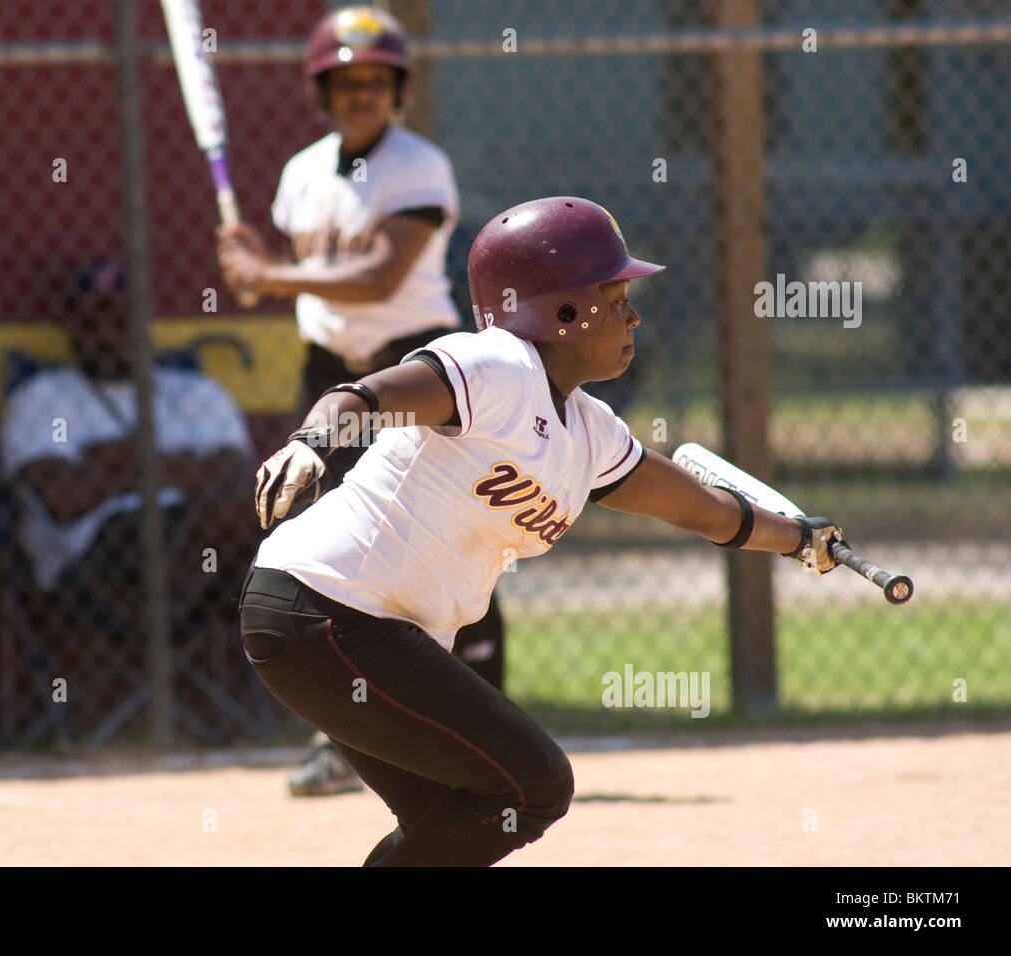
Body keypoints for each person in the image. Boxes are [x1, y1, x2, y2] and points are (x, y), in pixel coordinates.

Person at [238, 197, 848, 866]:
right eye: (615, 297)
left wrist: (797, 537)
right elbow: (365, 396)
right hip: (325, 611)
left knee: (464, 815)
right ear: (564, 311)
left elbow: (706, 510)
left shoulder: (591, 433)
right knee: (535, 786)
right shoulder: (497, 367)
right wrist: (312, 443)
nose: (633, 315)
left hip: (343, 626)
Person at [215, 3, 507, 795]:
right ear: (323, 91)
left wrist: (270, 276)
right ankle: (344, 735)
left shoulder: (419, 166)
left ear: (398, 89)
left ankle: (486, 729)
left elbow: (379, 274)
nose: (362, 95)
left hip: (412, 370)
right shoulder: (302, 173)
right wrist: (256, 266)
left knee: (452, 539)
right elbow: (312, 275)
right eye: (346, 82)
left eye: (377, 82)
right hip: (328, 375)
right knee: (327, 548)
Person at [0, 259, 262, 738]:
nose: (106, 335)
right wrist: (176, 465)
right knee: (206, 520)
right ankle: (175, 601)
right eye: (91, 323)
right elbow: (63, 499)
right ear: (69, 329)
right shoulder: (42, 398)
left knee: (260, 519)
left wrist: (118, 461)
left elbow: (234, 479)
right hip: (94, 562)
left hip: (205, 558)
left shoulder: (195, 393)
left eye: (119, 320)